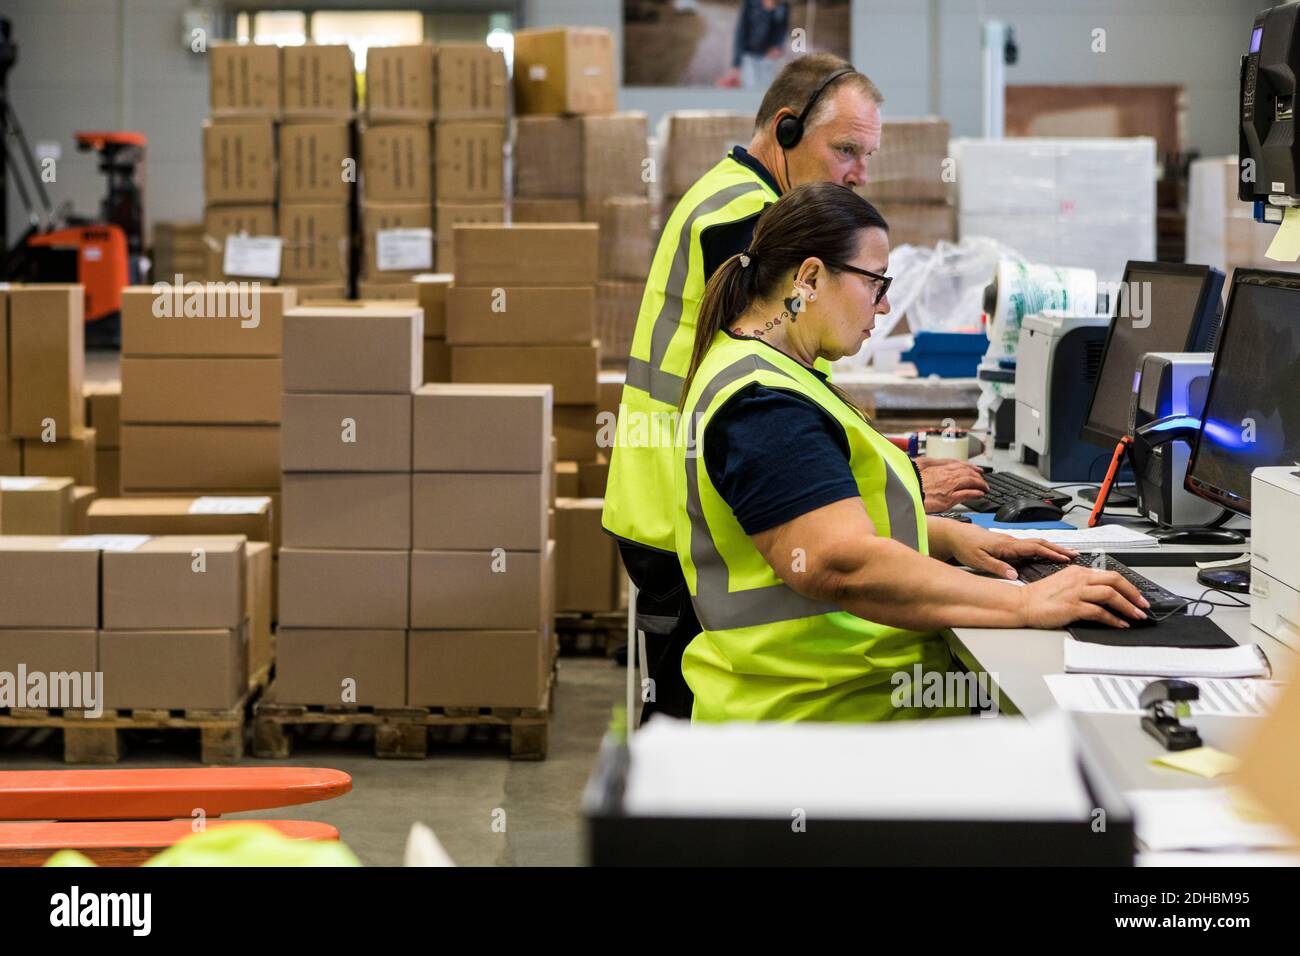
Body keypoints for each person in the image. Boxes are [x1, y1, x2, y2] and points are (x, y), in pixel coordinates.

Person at [674, 182, 1151, 722]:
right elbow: (841, 563)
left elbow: (836, 517)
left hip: (822, 699)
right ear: (808, 279)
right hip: (828, 717)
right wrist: (1027, 602)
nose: (885, 304)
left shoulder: (765, 367)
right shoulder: (766, 406)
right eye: (876, 283)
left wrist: (946, 536)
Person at [604, 54, 986, 722]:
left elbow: (793, 385)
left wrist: (881, 466)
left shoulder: (732, 196)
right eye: (845, 150)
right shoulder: (747, 218)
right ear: (784, 131)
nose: (858, 172)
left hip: (680, 496)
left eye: (866, 155)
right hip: (694, 509)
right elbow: (766, 401)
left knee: (687, 712)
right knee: (692, 712)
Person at [717, 0, 789, 90]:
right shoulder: (750, 3)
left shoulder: (783, 5)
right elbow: (741, 32)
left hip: (769, 58)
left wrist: (778, 47)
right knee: (750, 90)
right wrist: (736, 63)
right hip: (749, 56)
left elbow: (783, 30)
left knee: (767, 92)